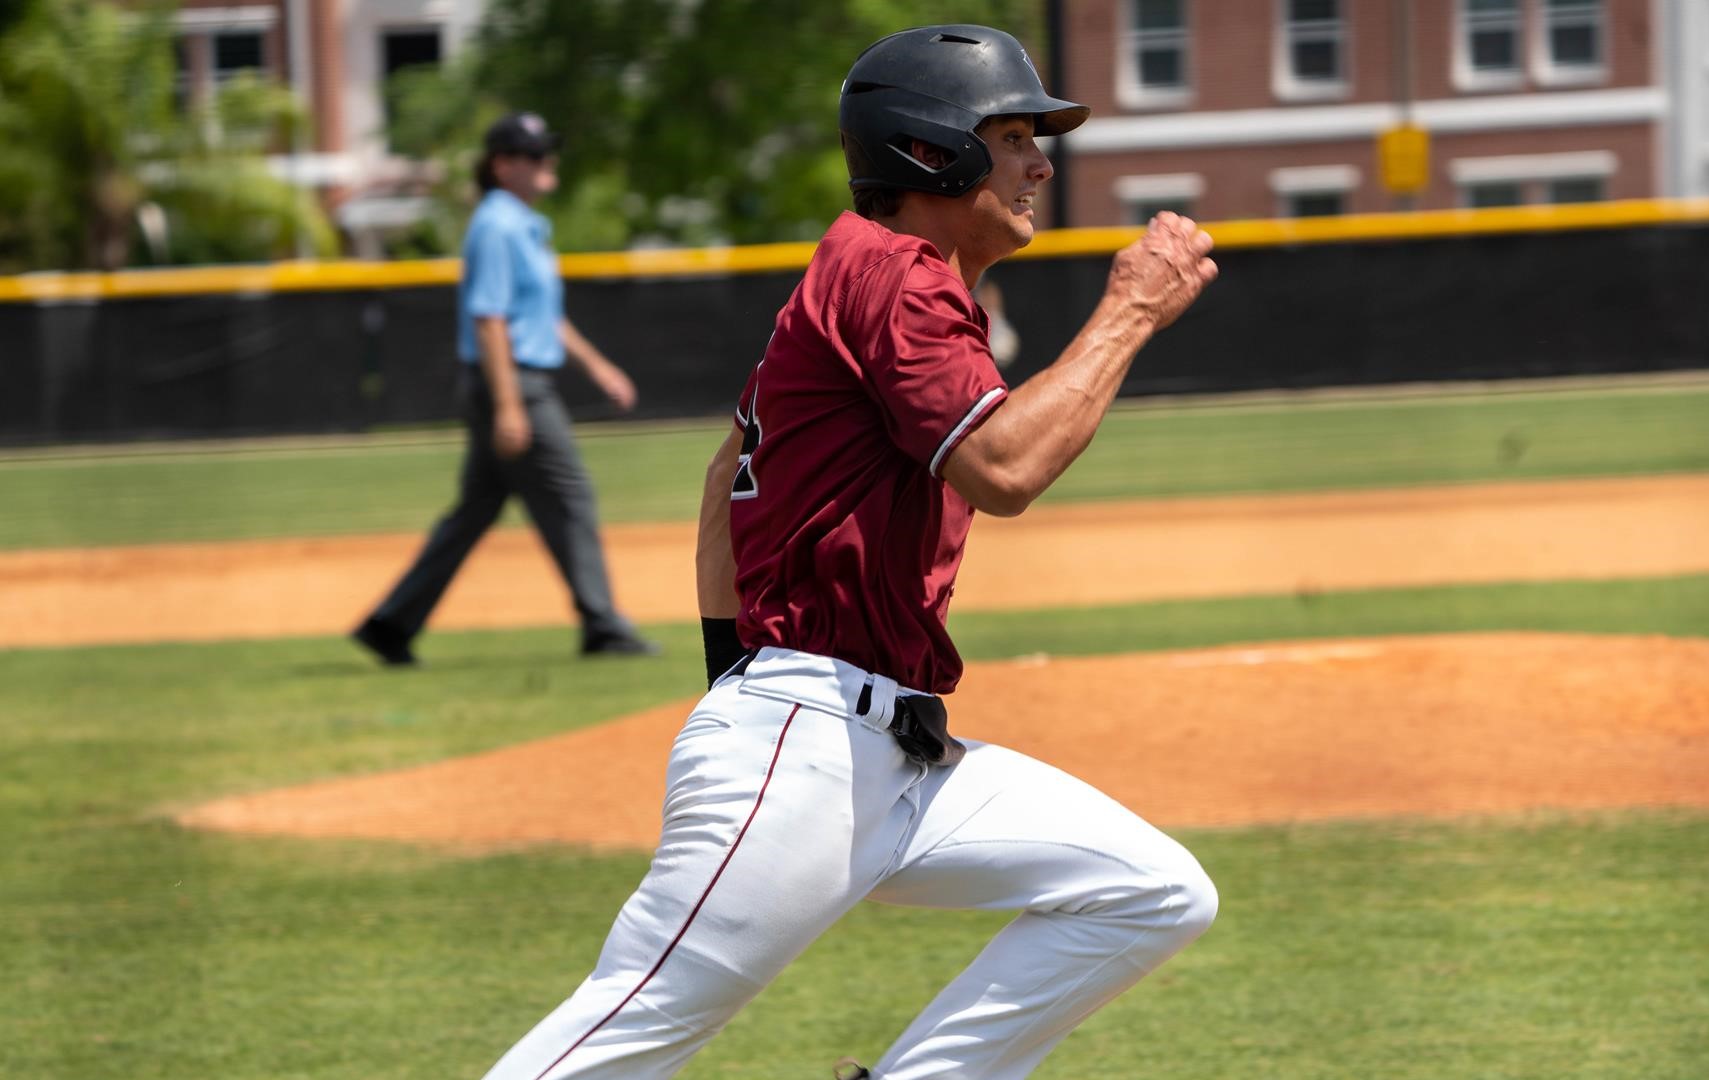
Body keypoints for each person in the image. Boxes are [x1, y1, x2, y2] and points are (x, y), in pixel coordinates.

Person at [477, 26, 1219, 1080]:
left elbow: (722, 472)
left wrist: (732, 669)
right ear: (932, 153)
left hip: (890, 761)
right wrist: (1130, 311)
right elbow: (1004, 468)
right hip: (809, 744)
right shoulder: (899, 279)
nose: (1040, 164)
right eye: (1013, 136)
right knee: (624, 1034)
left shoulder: (855, 275)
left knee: (1153, 888)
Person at [352, 112, 658, 666]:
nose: (548, 164)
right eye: (534, 156)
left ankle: (390, 624)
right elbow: (490, 318)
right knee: (570, 496)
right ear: (502, 165)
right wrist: (511, 406)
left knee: (474, 512)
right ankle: (603, 622)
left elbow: (543, 317)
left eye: (547, 153)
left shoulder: (523, 224)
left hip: (514, 378)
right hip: (511, 382)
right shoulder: (496, 224)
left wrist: (598, 368)